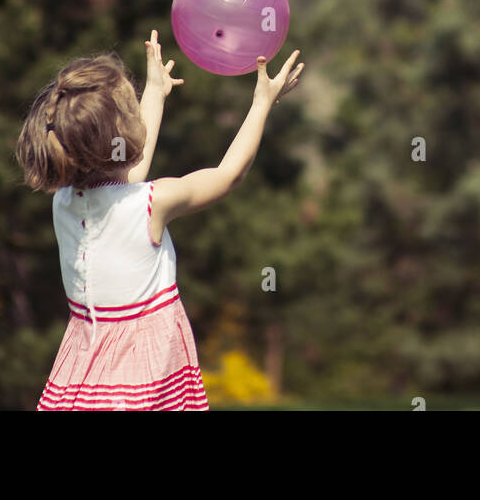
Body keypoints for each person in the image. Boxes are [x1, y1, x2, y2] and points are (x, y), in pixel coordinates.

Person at [15, 30, 302, 410]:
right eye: (132, 107)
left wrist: (154, 91)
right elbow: (229, 175)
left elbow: (130, 170)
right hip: (144, 379)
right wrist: (262, 104)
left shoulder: (65, 202)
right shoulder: (152, 202)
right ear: (120, 138)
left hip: (86, 379)